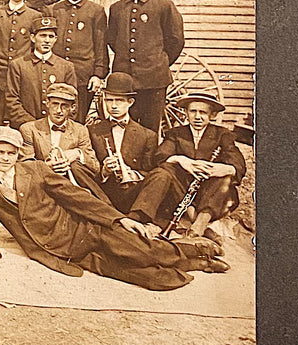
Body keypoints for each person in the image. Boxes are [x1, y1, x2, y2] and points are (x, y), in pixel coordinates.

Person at [0, 127, 228, 289]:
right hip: (63, 253)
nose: (5, 158)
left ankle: (192, 247)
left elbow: (77, 197)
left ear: (17, 155)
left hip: (87, 230)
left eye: (11, 153)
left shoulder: (35, 169)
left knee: (145, 252)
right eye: (0, 152)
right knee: (148, 277)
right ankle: (198, 263)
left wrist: (118, 219)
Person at [128, 92, 246, 236]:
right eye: (193, 111)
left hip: (211, 192)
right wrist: (182, 160)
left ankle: (200, 222)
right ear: (185, 112)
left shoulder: (222, 134)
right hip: (181, 189)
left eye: (203, 112)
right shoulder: (176, 134)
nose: (197, 117)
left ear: (212, 115)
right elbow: (160, 156)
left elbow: (238, 163)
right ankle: (192, 218)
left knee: (226, 178)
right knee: (165, 170)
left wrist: (221, 169)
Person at [106, 0, 185, 132]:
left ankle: (149, 161)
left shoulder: (164, 5)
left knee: (150, 130)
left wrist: (159, 62)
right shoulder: (117, 8)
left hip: (154, 80)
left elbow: (176, 40)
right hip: (124, 81)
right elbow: (112, 39)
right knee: (124, 127)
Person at [87, 72, 159, 212]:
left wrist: (134, 175)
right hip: (103, 195)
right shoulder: (92, 131)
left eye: (119, 101)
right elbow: (88, 171)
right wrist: (104, 172)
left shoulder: (147, 135)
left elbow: (149, 171)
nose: (113, 106)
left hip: (132, 196)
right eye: (109, 100)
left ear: (130, 102)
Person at [20, 83, 105, 198]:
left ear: (72, 108)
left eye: (64, 106)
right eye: (55, 104)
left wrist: (78, 153)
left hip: (72, 187)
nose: (59, 110)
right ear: (47, 103)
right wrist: (47, 166)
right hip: (42, 187)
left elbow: (95, 168)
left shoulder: (80, 130)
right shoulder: (29, 129)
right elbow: (25, 167)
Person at [52, 0, 108, 122]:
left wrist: (98, 74)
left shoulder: (96, 11)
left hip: (83, 75)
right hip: (57, 73)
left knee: (78, 117)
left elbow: (101, 45)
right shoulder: (55, 10)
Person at [4, 17, 78, 129]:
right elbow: (12, 100)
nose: (47, 40)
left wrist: (57, 124)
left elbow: (73, 101)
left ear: (55, 39)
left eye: (51, 36)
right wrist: (32, 125)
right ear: (33, 38)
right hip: (25, 127)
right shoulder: (18, 65)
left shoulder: (66, 66)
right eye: (42, 36)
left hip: (56, 128)